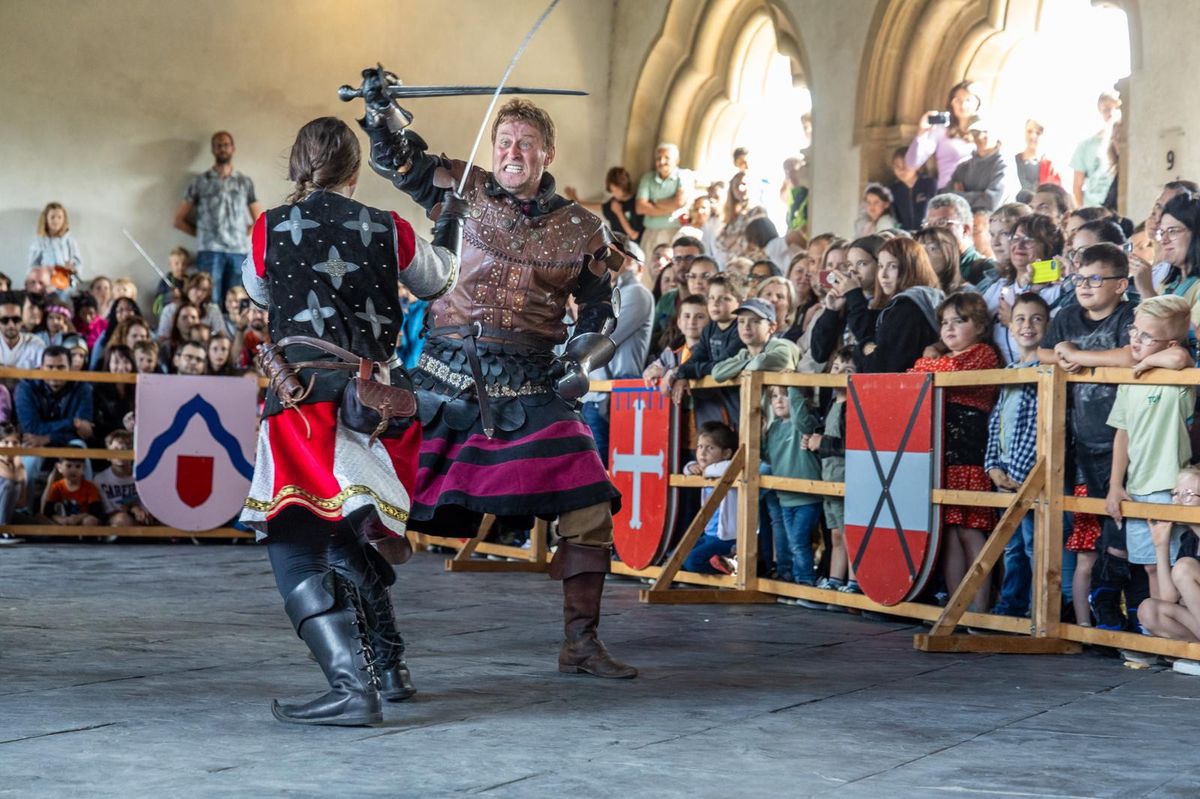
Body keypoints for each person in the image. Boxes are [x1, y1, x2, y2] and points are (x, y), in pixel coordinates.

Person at [361, 82, 638, 680]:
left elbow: (598, 312)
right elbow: (397, 160)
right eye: (505, 141)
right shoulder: (458, 188)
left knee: (590, 499)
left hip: (532, 380)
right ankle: (369, 647)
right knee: (368, 491)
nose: (513, 151)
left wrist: (580, 361)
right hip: (440, 373)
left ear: (548, 154)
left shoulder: (584, 229)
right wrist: (379, 112)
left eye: (527, 142)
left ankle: (580, 645)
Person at [240, 115, 459, 726]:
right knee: (339, 535)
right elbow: (439, 278)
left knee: (295, 545)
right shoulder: (389, 227)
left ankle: (351, 687)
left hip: (304, 402)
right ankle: (387, 667)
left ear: (297, 165)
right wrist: (451, 223)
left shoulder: (270, 226)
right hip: (370, 400)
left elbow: (258, 292)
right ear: (357, 173)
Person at [1034, 244, 1157, 631]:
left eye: (1094, 279)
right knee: (1089, 532)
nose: (1084, 286)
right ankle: (1097, 610)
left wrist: (1077, 354)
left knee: (1127, 527)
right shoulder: (1068, 315)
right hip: (1078, 442)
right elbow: (1043, 352)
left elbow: (1129, 356)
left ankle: (1132, 610)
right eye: (1079, 278)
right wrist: (1063, 354)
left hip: (1126, 440)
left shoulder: (1128, 314)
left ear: (1121, 284)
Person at [910, 293, 999, 612]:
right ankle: (956, 606)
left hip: (970, 456)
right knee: (947, 534)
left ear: (979, 325)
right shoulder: (945, 356)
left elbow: (937, 371)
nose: (949, 328)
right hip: (942, 459)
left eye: (959, 321)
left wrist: (927, 357)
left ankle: (979, 607)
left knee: (971, 531)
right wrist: (929, 360)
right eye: (944, 322)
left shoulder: (983, 354)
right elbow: (915, 376)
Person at [1105, 296, 1194, 615]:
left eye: (1146, 336)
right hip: (1138, 483)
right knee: (1151, 567)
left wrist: (1145, 363)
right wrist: (1116, 484)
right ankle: (1164, 638)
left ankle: (1186, 632)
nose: (1134, 340)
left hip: (1168, 483)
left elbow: (1180, 356)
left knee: (1173, 562)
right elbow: (1122, 433)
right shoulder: (1130, 381)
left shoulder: (1177, 378)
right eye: (1133, 330)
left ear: (1167, 342)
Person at [985, 293, 1048, 617]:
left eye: (1037, 318)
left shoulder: (1047, 371)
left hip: (1032, 477)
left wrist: (1022, 476)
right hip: (1006, 476)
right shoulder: (1009, 371)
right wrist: (993, 466)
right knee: (1011, 546)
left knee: (1034, 544)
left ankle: (1039, 609)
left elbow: (1039, 429)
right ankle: (1012, 604)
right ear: (1010, 325)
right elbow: (997, 423)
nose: (1027, 325)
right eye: (1021, 318)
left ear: (1048, 325)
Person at [581, 243, 653, 468]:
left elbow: (603, 337)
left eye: (613, 256)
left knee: (605, 468)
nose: (607, 261)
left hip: (617, 393)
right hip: (593, 393)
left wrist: (582, 311)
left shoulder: (635, 293)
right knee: (590, 465)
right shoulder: (604, 292)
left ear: (629, 260)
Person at [173, 131, 264, 304]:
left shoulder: (244, 182)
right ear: (213, 150)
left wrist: (241, 234)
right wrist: (203, 233)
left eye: (226, 144)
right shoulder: (200, 181)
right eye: (219, 145)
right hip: (209, 250)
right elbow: (178, 220)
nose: (223, 148)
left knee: (236, 302)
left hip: (238, 251)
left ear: (233, 148)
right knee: (209, 302)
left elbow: (259, 218)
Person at [15, 345, 94, 512]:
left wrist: (49, 437)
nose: (55, 372)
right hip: (37, 442)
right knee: (29, 461)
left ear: (70, 368)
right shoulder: (26, 387)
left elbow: (84, 430)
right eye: (50, 367)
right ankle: (24, 513)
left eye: (61, 367)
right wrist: (71, 423)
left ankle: (87, 514)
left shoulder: (83, 387)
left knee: (81, 450)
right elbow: (31, 427)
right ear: (41, 367)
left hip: (65, 441)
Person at [848, 237, 944, 373]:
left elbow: (882, 367)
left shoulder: (906, 307)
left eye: (893, 266)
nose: (883, 275)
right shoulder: (925, 298)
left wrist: (861, 350)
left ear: (911, 268)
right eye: (881, 266)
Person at [1137, 467, 1200, 646]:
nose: (1177, 501)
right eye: (1175, 494)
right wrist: (1160, 546)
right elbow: (1168, 598)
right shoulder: (1189, 540)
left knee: (1184, 567)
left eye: (1187, 494)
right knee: (1149, 610)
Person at [681, 421, 739, 573]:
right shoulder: (706, 470)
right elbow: (686, 469)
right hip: (709, 534)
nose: (702, 452)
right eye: (700, 447)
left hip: (726, 538)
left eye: (710, 448)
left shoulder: (729, 470)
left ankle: (730, 566)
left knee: (692, 561)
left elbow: (729, 466)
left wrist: (705, 470)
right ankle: (719, 562)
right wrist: (689, 467)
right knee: (676, 556)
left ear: (726, 453)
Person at [906, 80, 983, 189]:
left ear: (978, 103)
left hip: (979, 193)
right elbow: (912, 162)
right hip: (949, 193)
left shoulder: (986, 131)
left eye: (968, 100)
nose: (963, 105)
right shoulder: (941, 130)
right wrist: (922, 132)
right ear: (951, 103)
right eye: (957, 100)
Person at [924, 193, 995, 286]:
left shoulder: (987, 270)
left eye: (942, 223)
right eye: (929, 224)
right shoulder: (927, 268)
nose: (932, 231)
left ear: (965, 229)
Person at [636, 143, 692, 257]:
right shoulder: (648, 178)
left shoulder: (684, 176)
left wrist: (654, 203)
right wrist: (671, 209)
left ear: (676, 160)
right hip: (650, 233)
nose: (661, 162)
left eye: (667, 158)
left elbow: (679, 202)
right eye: (658, 158)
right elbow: (640, 208)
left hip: (672, 232)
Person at [564, 166, 644, 244]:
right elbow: (599, 206)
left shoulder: (636, 203)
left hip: (632, 247)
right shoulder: (613, 202)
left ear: (622, 186)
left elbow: (634, 235)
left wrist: (619, 213)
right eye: (612, 190)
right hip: (616, 245)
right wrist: (577, 200)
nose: (613, 193)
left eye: (615, 190)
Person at [1070, 90, 1121, 208]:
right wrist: (1082, 211)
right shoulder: (1085, 146)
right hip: (1092, 209)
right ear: (1100, 112)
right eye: (1106, 109)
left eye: (1116, 108)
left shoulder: (1125, 142)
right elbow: (1077, 186)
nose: (1111, 113)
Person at [949, 115, 1007, 214]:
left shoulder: (1003, 165)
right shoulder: (963, 166)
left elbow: (992, 202)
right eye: (975, 132)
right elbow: (948, 197)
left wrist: (961, 195)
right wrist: (980, 196)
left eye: (985, 132)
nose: (980, 137)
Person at [94, 430, 150, 527]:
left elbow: (148, 504)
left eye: (125, 449)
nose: (120, 454)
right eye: (115, 449)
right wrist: (131, 509)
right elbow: (107, 511)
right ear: (108, 455)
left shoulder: (143, 475)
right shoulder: (100, 479)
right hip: (115, 519)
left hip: (142, 518)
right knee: (122, 520)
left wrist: (143, 513)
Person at [714, 171, 767, 267]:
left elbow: (749, 241)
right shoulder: (732, 217)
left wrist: (732, 240)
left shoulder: (757, 211)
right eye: (736, 186)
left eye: (743, 184)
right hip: (731, 265)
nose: (740, 188)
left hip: (749, 264)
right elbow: (719, 242)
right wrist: (738, 237)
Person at [29, 202, 84, 289]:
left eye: (59, 217)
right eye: (52, 217)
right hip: (47, 286)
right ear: (46, 219)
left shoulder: (70, 241)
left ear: (64, 219)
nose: (56, 220)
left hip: (66, 285)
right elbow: (32, 266)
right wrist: (45, 270)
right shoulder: (39, 241)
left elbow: (78, 264)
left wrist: (73, 268)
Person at [157, 272, 225, 339]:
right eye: (196, 288)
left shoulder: (212, 310)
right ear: (189, 287)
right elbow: (163, 339)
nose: (199, 294)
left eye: (204, 290)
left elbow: (222, 336)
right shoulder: (170, 309)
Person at [41, 452, 101, 527]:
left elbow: (95, 511)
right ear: (59, 467)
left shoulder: (90, 487)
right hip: (61, 522)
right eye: (68, 466)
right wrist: (61, 519)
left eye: (78, 466)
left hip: (81, 521)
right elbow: (48, 511)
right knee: (40, 518)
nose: (73, 470)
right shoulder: (56, 487)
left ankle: (86, 539)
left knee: (90, 520)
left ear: (83, 469)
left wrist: (78, 518)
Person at [888, 147, 937, 232]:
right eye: (897, 166)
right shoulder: (894, 190)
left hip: (928, 232)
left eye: (905, 165)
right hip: (906, 235)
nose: (901, 170)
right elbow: (896, 217)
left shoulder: (930, 184)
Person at [1013, 119, 1061, 202]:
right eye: (1029, 131)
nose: (1033, 136)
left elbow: (1057, 197)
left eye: (1038, 133)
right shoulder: (1013, 161)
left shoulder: (1050, 166)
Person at [0, 292, 45, 371]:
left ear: (22, 319)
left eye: (16, 320)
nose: (11, 325)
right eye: (5, 320)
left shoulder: (36, 343)